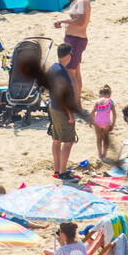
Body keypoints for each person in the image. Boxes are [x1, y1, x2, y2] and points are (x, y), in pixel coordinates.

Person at [52, 0, 90, 98]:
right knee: (75, 71)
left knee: (70, 72)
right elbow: (75, 22)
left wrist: (63, 21)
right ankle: (77, 103)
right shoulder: (78, 1)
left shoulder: (82, 1)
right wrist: (62, 25)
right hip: (73, 38)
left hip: (76, 40)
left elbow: (81, 22)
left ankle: (75, 103)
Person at [47, 43, 79, 179]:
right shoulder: (62, 73)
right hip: (61, 109)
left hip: (52, 106)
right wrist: (70, 114)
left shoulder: (53, 68)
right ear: (67, 55)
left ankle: (57, 169)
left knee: (56, 139)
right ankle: (63, 172)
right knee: (68, 141)